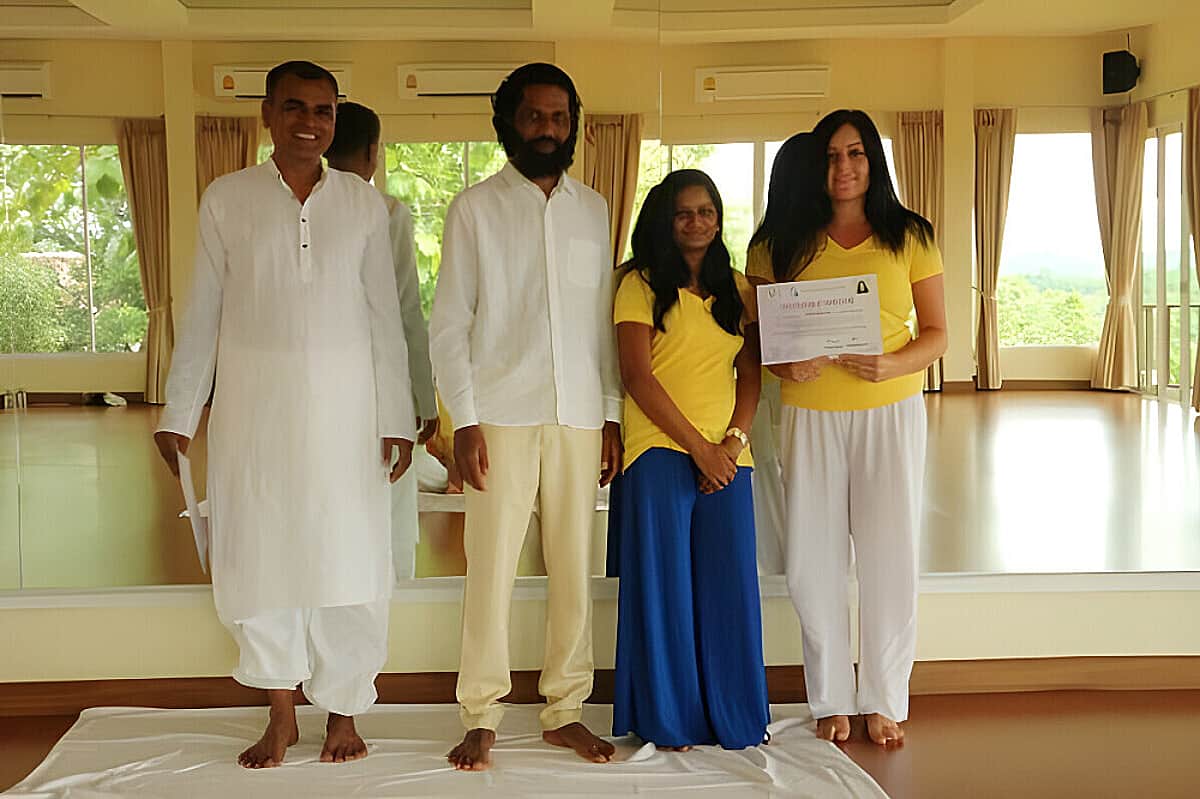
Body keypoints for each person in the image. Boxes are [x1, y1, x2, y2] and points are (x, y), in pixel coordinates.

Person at [153, 61, 415, 768]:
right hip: (253, 415)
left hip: (348, 416)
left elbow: (384, 320)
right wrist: (180, 411)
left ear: (336, 119)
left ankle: (343, 709)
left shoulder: (364, 205)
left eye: (324, 110)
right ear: (266, 113)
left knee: (350, 557)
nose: (310, 122)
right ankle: (278, 713)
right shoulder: (226, 199)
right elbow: (202, 310)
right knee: (261, 554)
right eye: (295, 107)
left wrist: (398, 413)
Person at [429, 62, 623, 771]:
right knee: (491, 571)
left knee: (574, 565)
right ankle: (481, 713)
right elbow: (449, 325)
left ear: (573, 124)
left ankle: (564, 708)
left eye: (560, 117)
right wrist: (465, 420)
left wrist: (607, 413)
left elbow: (600, 322)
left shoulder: (594, 209)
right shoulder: (473, 209)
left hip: (577, 416)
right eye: (536, 116)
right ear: (508, 121)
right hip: (499, 417)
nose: (549, 129)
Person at [746, 110, 947, 747]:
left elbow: (939, 334)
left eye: (855, 153)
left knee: (891, 556)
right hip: (810, 416)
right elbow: (759, 343)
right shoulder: (778, 241)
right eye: (831, 156)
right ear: (816, 164)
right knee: (813, 559)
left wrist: (892, 362)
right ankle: (830, 695)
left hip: (890, 412)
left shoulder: (909, 234)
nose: (843, 167)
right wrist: (786, 362)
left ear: (874, 160)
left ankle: (884, 698)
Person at [610, 169, 769, 751]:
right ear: (663, 220)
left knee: (731, 589)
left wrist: (730, 442)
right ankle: (670, 721)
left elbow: (749, 371)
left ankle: (736, 717)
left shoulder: (737, 288)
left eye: (707, 211)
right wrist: (698, 449)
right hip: (657, 450)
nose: (697, 222)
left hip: (729, 456)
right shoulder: (639, 284)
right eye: (683, 213)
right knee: (665, 590)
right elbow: (636, 376)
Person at [325, 101, 438, 580]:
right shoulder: (386, 211)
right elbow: (405, 310)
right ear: (374, 151)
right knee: (390, 496)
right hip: (379, 382)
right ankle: (392, 606)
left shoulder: (301, 207)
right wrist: (424, 398)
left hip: (321, 383)